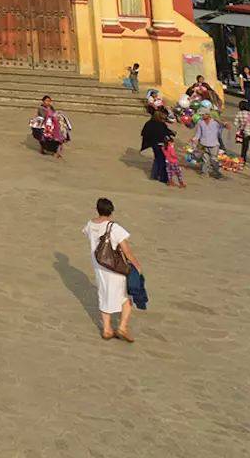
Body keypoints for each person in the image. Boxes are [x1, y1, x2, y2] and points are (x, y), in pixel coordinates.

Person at [82, 197, 139, 341]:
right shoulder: (113, 227)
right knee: (127, 297)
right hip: (115, 267)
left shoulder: (90, 224)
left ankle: (107, 329)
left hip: (99, 265)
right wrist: (136, 265)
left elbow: (87, 233)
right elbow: (127, 251)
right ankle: (122, 327)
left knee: (104, 294)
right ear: (111, 212)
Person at [139, 108, 174, 184]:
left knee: (157, 160)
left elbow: (143, 133)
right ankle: (163, 178)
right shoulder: (161, 124)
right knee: (162, 161)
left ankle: (154, 175)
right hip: (160, 144)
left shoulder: (149, 123)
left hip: (152, 144)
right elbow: (163, 133)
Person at [194, 111, 226, 179]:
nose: (202, 116)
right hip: (204, 143)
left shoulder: (215, 122)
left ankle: (217, 173)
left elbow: (223, 126)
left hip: (214, 144)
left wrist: (222, 122)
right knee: (205, 160)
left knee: (214, 159)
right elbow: (199, 133)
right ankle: (205, 173)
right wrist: (194, 139)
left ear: (208, 114)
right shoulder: (200, 122)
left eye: (204, 114)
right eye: (202, 115)